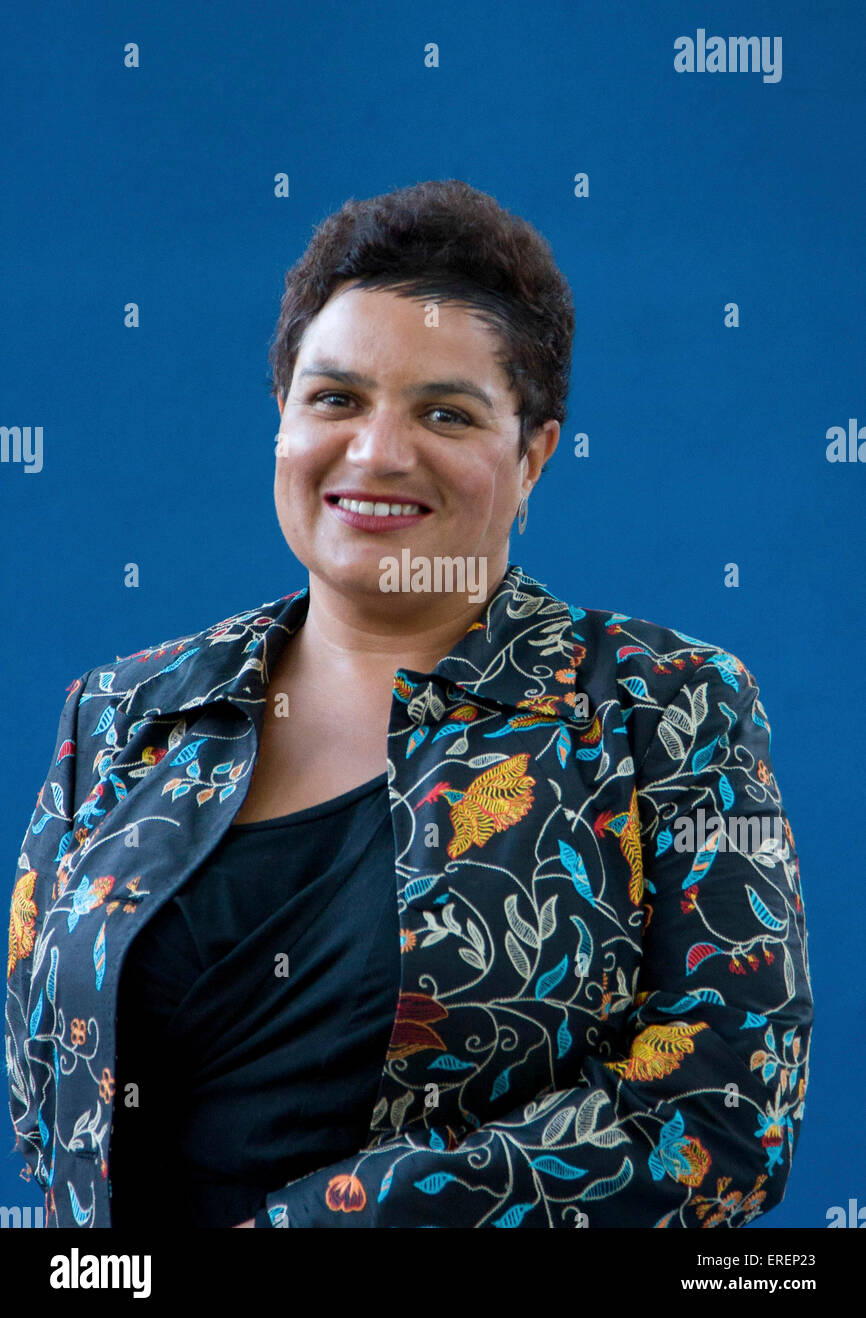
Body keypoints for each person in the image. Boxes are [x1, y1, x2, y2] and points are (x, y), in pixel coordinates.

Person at [5, 179, 812, 1230]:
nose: (378, 452)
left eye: (444, 411)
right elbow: (45, 1097)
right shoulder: (123, 710)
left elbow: (720, 1124)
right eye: (334, 397)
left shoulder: (664, 707)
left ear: (533, 455)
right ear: (282, 420)